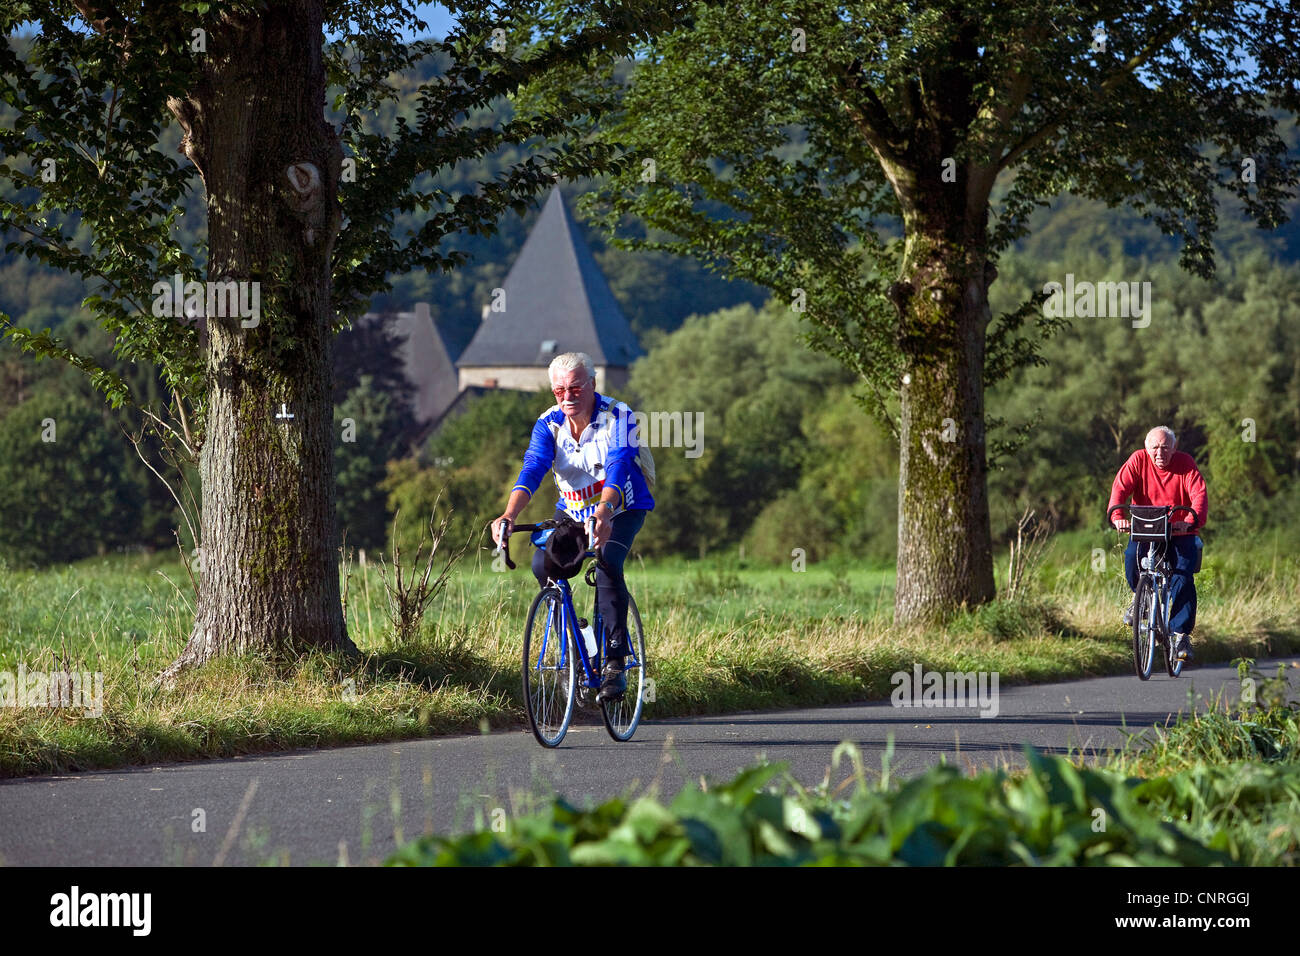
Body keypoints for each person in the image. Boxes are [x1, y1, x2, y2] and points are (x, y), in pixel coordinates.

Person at [492, 352, 655, 701]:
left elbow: (619, 464)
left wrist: (604, 510)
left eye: (576, 388)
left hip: (621, 507)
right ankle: (580, 648)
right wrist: (509, 515)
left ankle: (614, 660)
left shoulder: (618, 416)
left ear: (593, 385)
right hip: (573, 510)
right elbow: (534, 467)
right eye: (560, 390)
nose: (568, 396)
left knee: (608, 561)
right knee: (543, 566)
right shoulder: (548, 423)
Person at [1107, 425, 1207, 662]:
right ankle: (1139, 599)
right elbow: (1119, 490)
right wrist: (1118, 517)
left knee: (1182, 577)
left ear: (1174, 448)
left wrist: (1190, 520)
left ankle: (1180, 634)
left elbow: (1199, 495)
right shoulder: (1138, 460)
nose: (1159, 453)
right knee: (1132, 558)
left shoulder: (1185, 463)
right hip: (1146, 529)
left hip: (1180, 531)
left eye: (1165, 447)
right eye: (1154, 448)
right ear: (1146, 447)